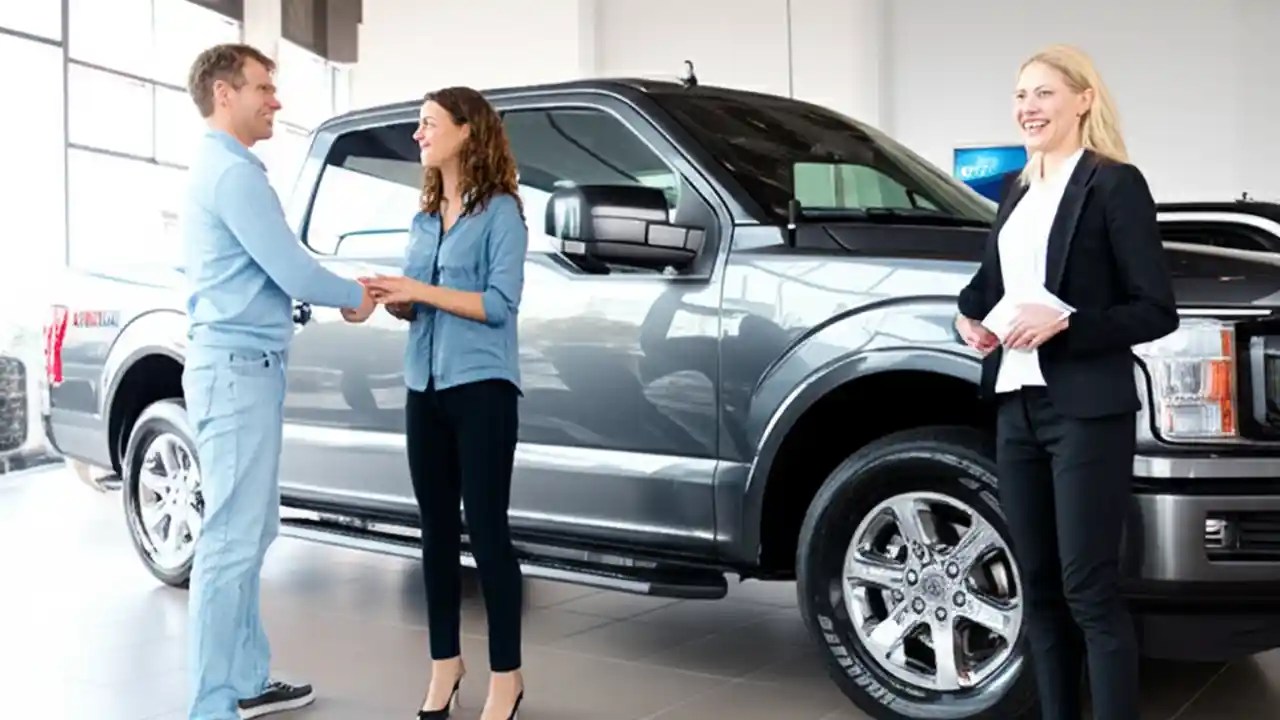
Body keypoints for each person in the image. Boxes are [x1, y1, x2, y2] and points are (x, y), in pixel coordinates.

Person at [954, 44, 1178, 720]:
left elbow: (1156, 309)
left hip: (1084, 411)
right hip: (1015, 409)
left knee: (1089, 593)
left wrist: (1065, 325)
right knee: (1040, 591)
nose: (1028, 107)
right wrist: (968, 318)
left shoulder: (1113, 183)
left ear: (1083, 99)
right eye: (1021, 95)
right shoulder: (1017, 189)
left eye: (1044, 93)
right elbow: (989, 287)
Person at [181, 43, 376, 720]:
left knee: (251, 532)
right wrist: (354, 292)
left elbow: (272, 270)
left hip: (244, 372)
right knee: (232, 541)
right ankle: (212, 702)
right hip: (236, 375)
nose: (276, 99)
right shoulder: (232, 175)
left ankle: (243, 678)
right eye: (264, 87)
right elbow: (292, 270)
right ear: (224, 93)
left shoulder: (230, 168)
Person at [357, 87, 527, 720]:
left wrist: (421, 288)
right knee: (432, 535)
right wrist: (398, 299)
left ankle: (506, 678)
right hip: (422, 387)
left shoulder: (502, 212)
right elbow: (425, 303)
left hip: (482, 389)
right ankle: (444, 667)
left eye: (428, 124)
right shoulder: (424, 217)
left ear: (466, 131)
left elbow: (497, 305)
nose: (418, 136)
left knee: (487, 534)